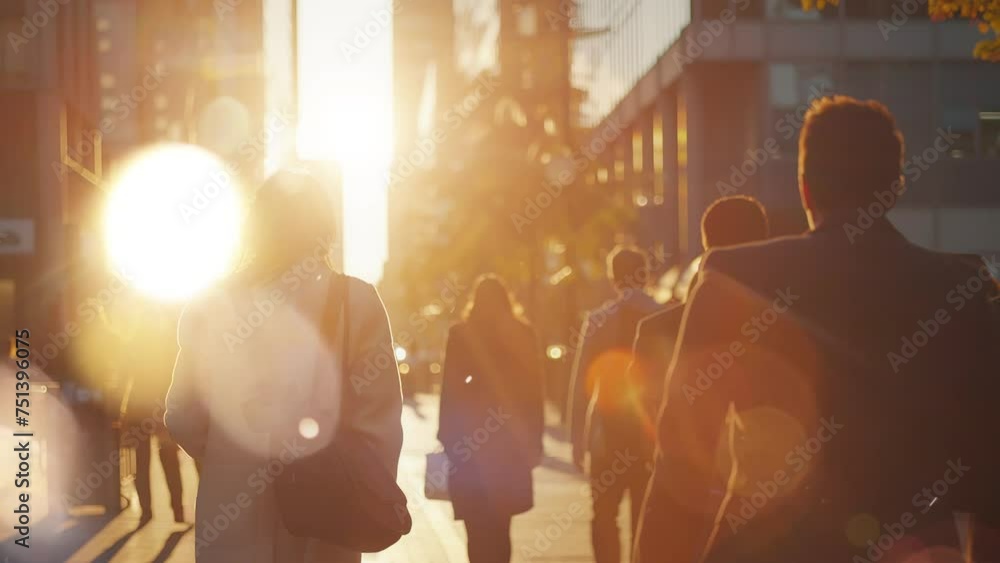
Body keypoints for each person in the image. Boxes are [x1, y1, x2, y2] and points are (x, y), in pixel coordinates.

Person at [635, 96, 1000, 563]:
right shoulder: (961, 289)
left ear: (805, 189)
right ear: (894, 188)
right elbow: (990, 485)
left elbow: (681, 467)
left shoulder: (734, 277)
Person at [164, 169, 403, 563]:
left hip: (232, 523)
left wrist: (230, 454)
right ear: (325, 229)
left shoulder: (210, 304)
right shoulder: (356, 302)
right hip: (327, 529)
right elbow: (380, 425)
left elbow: (181, 416)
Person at [627, 195, 769, 448]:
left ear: (706, 245)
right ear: (765, 243)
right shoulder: (794, 324)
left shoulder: (656, 330)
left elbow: (646, 408)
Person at [438, 274, 545, 563]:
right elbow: (534, 392)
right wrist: (535, 439)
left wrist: (447, 437)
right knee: (501, 525)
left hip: (469, 443)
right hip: (508, 445)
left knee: (476, 527)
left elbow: (450, 389)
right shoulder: (523, 334)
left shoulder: (460, 334)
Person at [567, 245, 663, 563]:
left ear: (612, 278)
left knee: (604, 515)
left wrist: (577, 438)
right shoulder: (665, 315)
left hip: (606, 436)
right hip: (651, 435)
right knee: (646, 518)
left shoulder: (597, 320)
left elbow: (581, 383)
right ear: (645, 275)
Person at [120, 300, 185, 525]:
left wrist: (124, 412)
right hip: (160, 407)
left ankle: (147, 511)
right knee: (169, 460)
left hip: (140, 409)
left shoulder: (134, 344)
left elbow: (125, 378)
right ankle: (177, 510)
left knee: (142, 463)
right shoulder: (167, 344)